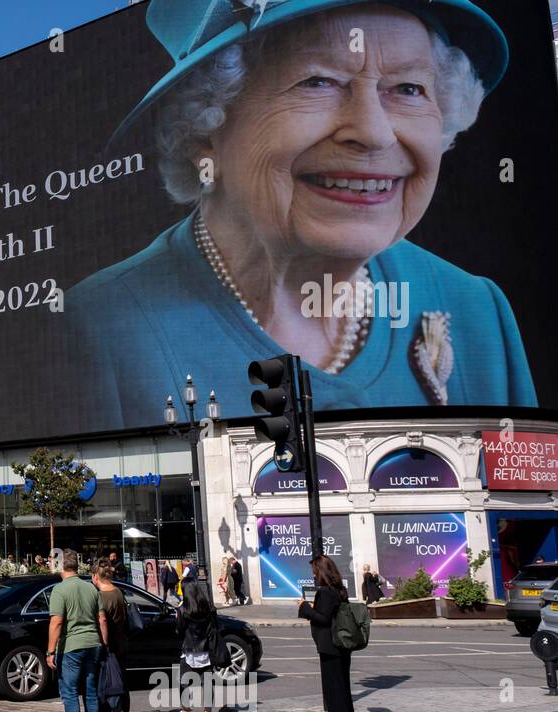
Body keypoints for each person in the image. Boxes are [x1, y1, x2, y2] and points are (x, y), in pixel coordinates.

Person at [66, 0, 534, 431]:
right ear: (204, 127)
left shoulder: (477, 309)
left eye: (408, 89)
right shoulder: (102, 332)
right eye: (319, 82)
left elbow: (533, 508)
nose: (373, 133)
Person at [299, 555, 365, 712]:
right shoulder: (338, 590)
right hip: (340, 646)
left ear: (321, 572)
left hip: (331, 646)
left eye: (314, 572)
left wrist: (304, 607)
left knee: (335, 691)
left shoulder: (326, 592)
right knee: (342, 689)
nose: (313, 576)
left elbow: (323, 618)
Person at [46, 551, 106, 712]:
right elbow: (101, 619)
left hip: (72, 645)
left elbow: (56, 621)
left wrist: (50, 651)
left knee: (69, 691)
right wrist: (103, 643)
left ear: (61, 567)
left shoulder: (60, 590)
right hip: (93, 643)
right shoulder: (91, 588)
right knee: (90, 692)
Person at [171, 582, 218, 712]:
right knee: (208, 684)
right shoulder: (210, 609)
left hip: (189, 651)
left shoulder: (183, 609)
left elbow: (179, 630)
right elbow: (215, 627)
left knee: (184, 682)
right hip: (206, 651)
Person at [93, 560, 131, 712]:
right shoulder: (118, 592)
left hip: (107, 646)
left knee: (104, 686)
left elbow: (102, 622)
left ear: (95, 576)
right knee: (120, 683)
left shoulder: (100, 596)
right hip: (122, 644)